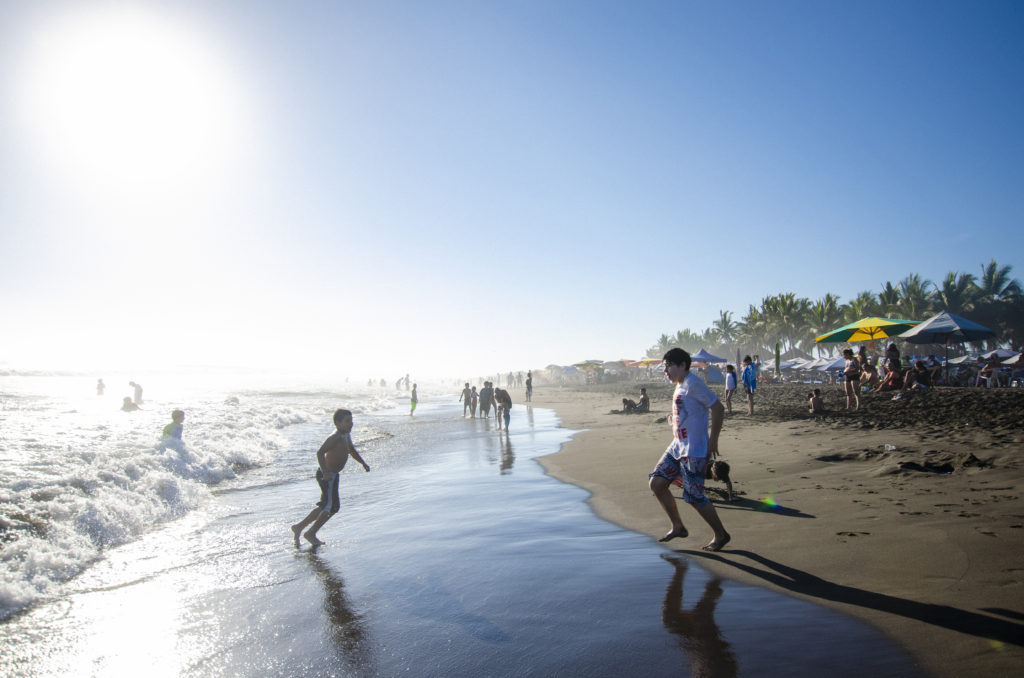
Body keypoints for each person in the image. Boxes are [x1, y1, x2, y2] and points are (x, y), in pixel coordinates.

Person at [649, 348, 730, 552]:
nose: (665, 370)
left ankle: (721, 534)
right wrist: (673, 418)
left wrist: (713, 442)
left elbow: (718, 408)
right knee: (657, 483)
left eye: (668, 366)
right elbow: (689, 412)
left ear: (682, 365)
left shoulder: (694, 384)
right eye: (664, 367)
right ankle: (677, 526)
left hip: (693, 450)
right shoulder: (680, 385)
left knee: (694, 496)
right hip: (677, 446)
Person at [291, 409, 370, 547]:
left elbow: (352, 450)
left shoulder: (346, 435)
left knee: (325, 505)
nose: (351, 424)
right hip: (327, 476)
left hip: (333, 476)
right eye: (347, 421)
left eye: (351, 421)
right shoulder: (335, 437)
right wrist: (325, 472)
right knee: (332, 507)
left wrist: (363, 462)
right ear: (337, 423)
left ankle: (299, 527)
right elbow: (320, 453)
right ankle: (310, 533)